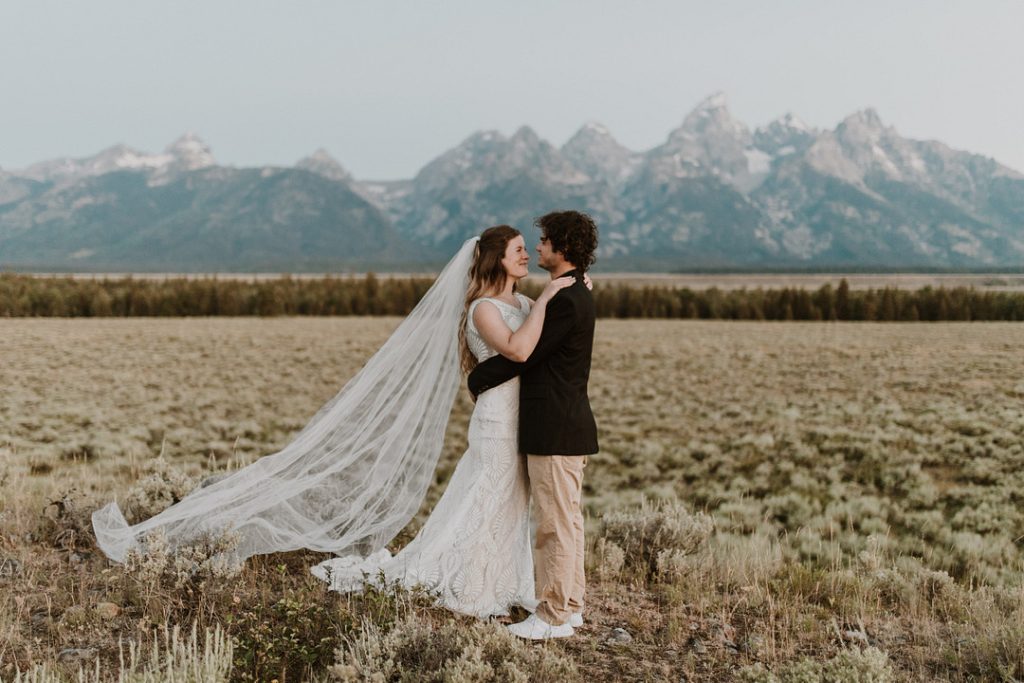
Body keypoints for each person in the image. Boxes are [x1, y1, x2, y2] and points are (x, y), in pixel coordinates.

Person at [310, 224, 577, 617]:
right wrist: (551, 294)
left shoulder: (523, 304)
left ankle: (503, 580)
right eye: (518, 250)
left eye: (526, 249)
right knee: (483, 495)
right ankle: (463, 578)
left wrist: (565, 289)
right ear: (496, 259)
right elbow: (518, 353)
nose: (525, 255)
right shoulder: (483, 308)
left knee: (513, 500)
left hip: (526, 416)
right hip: (497, 419)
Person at [468, 210, 600, 640]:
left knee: (554, 524)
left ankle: (554, 616)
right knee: (567, 520)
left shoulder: (562, 299)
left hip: (555, 425)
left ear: (561, 247)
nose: (537, 248)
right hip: (563, 423)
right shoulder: (571, 291)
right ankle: (571, 605)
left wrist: (478, 378)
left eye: (543, 242)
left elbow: (526, 355)